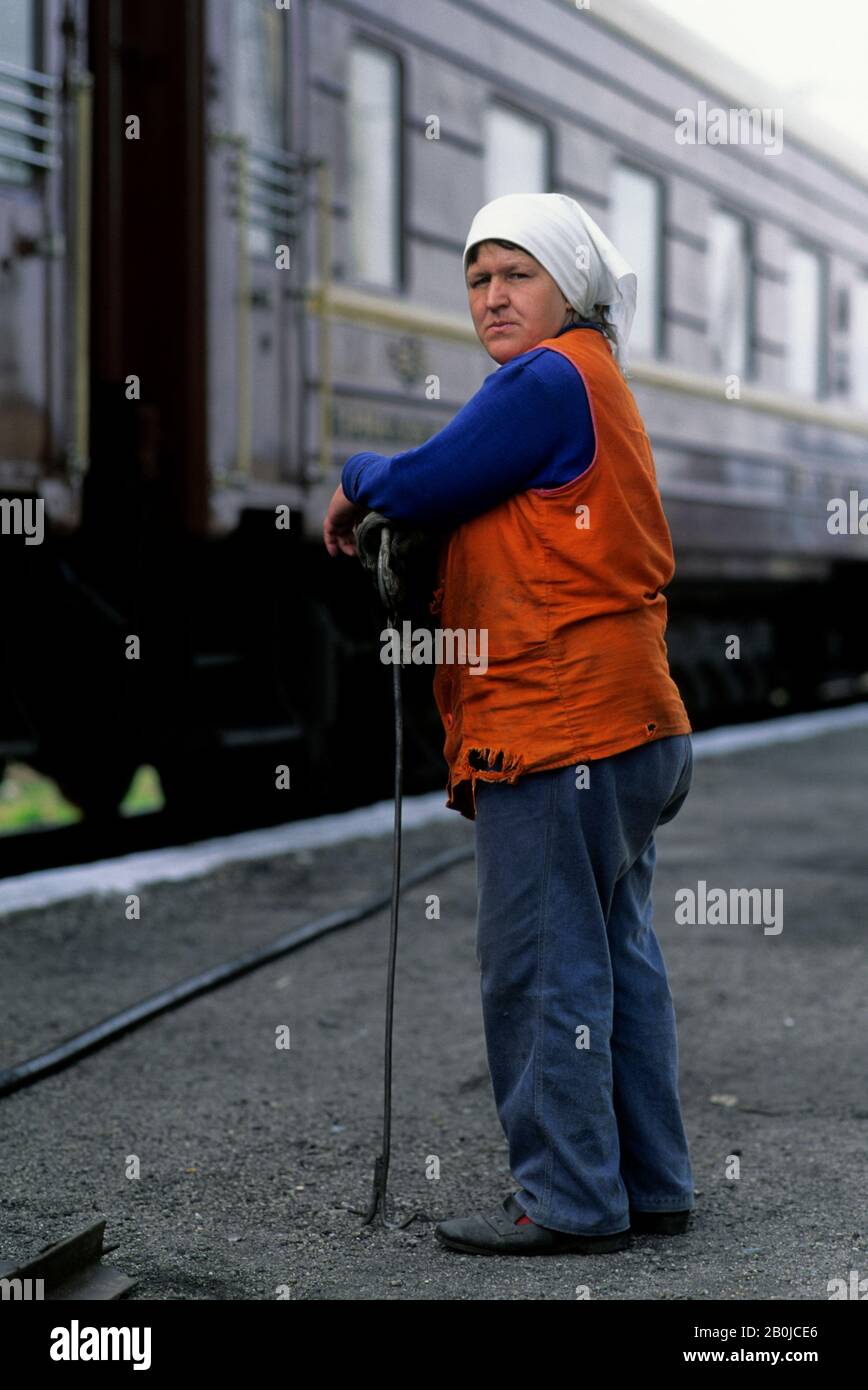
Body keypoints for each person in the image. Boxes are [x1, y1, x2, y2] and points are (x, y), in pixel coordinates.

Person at [323, 192, 696, 1256]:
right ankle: (650, 1183)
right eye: (477, 279)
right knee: (617, 955)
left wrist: (353, 485)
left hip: (559, 726)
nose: (491, 295)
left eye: (515, 274)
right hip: (632, 720)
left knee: (540, 967)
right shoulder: (594, 382)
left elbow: (423, 477)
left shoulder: (545, 376)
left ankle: (571, 1201)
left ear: (568, 287)